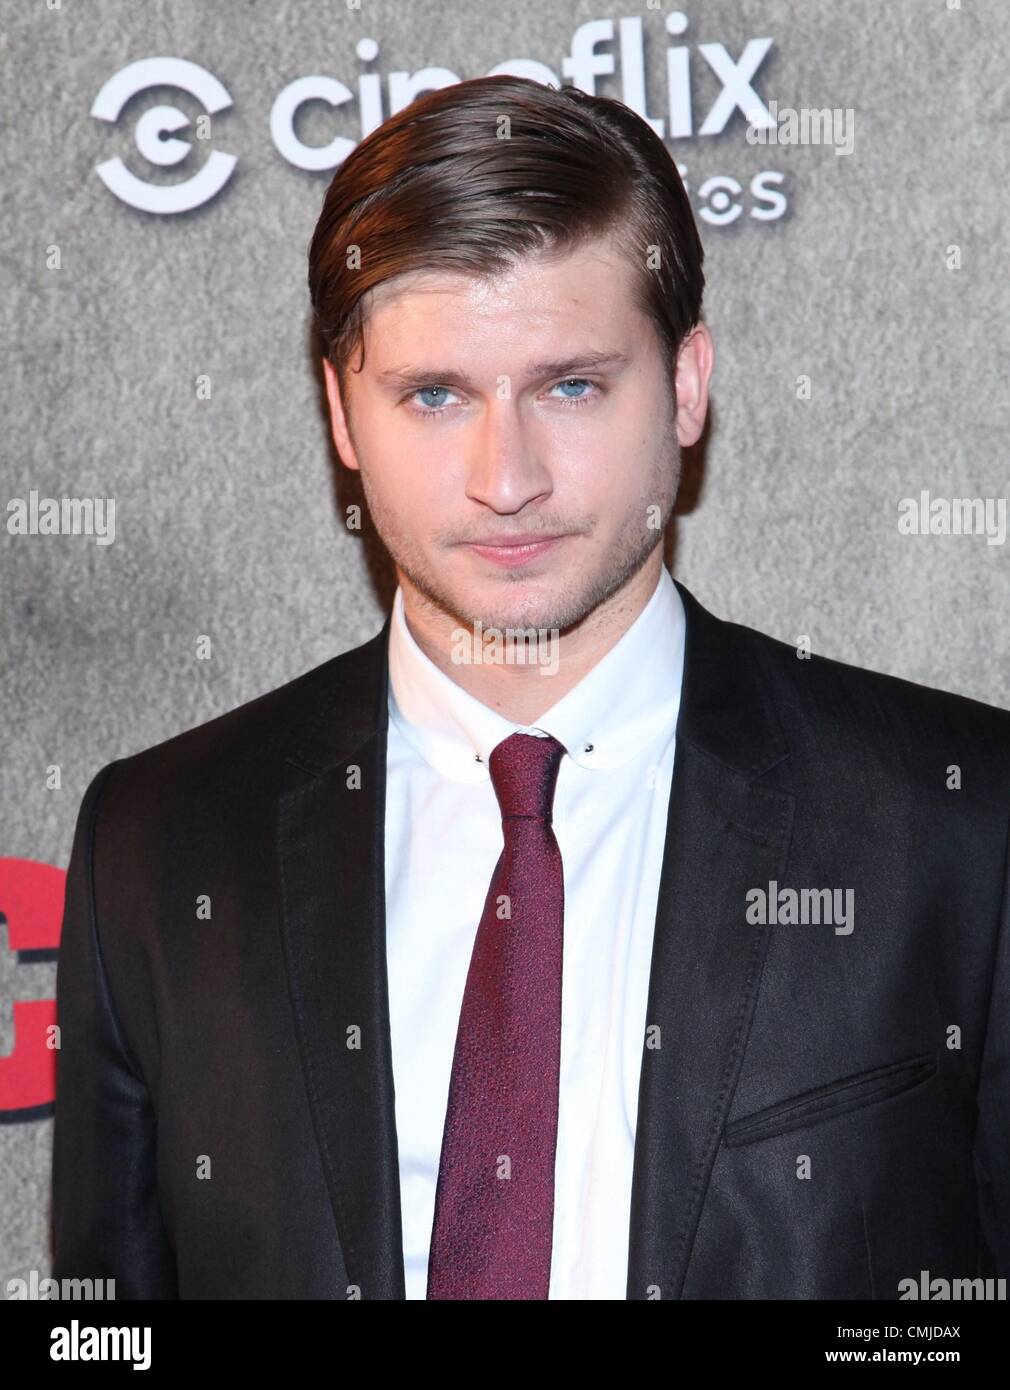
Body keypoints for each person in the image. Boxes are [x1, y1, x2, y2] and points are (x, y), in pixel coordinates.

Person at [52, 75, 1009, 1301]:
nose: (504, 477)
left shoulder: (956, 821)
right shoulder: (159, 841)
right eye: (434, 395)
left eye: (569, 385)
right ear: (342, 411)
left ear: (686, 385)